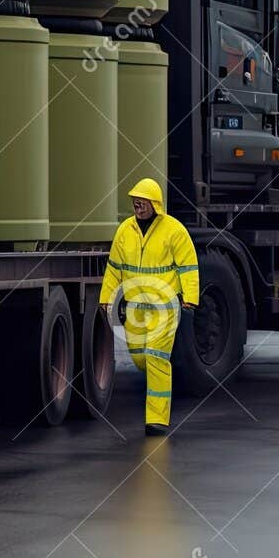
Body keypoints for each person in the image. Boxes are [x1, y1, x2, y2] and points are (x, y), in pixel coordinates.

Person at [99, 178, 199, 437]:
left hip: (164, 307)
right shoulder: (125, 231)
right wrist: (106, 297)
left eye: (143, 202)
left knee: (155, 355)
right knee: (140, 357)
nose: (138, 206)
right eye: (135, 202)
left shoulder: (173, 231)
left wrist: (190, 297)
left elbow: (188, 266)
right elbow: (114, 268)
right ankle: (162, 369)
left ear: (155, 204)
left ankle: (157, 420)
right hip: (135, 308)